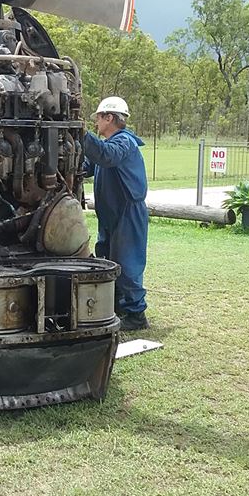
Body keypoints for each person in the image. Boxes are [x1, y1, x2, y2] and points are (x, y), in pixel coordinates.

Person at [82, 96, 149, 331]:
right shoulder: (108, 145)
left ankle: (136, 314)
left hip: (128, 213)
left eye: (98, 118)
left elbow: (105, 155)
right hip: (110, 214)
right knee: (108, 259)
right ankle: (118, 305)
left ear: (109, 117)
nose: (96, 123)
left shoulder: (123, 143)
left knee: (127, 262)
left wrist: (80, 132)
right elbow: (87, 166)